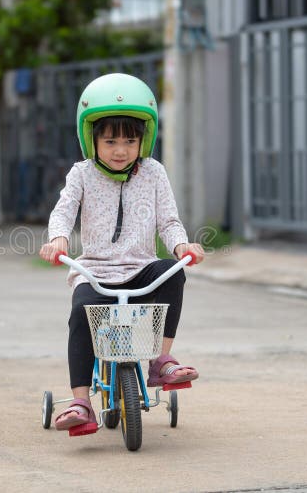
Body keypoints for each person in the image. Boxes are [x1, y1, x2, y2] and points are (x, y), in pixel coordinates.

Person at [38, 73, 205, 433]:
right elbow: (63, 212)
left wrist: (182, 246)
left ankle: (160, 360)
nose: (120, 150)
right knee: (81, 311)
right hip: (96, 272)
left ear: (144, 139)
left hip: (142, 270)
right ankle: (81, 401)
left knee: (173, 272)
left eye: (130, 140)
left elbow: (168, 221)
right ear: (91, 139)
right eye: (110, 140)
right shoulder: (81, 174)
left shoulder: (154, 173)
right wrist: (58, 239)